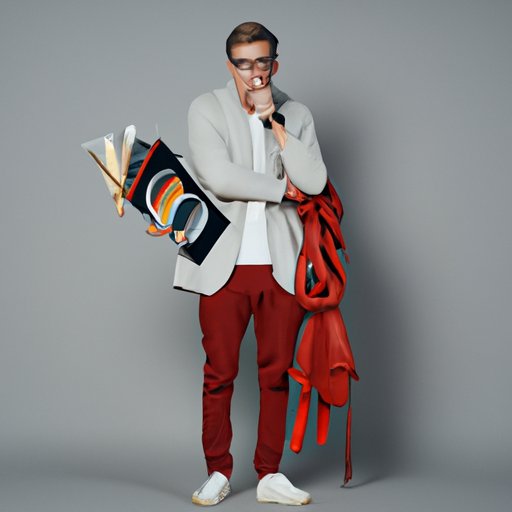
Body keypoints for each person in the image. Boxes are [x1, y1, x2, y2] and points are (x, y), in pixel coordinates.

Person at [172, 21, 328, 506]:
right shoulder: (206, 108)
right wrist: (283, 189)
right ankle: (217, 471)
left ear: (275, 63)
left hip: (283, 265)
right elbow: (218, 178)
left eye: (262, 62)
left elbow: (314, 181)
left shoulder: (296, 114)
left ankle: (269, 474)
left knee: (275, 374)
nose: (254, 73)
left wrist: (273, 122)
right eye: (243, 64)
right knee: (218, 373)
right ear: (230, 65)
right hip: (222, 264)